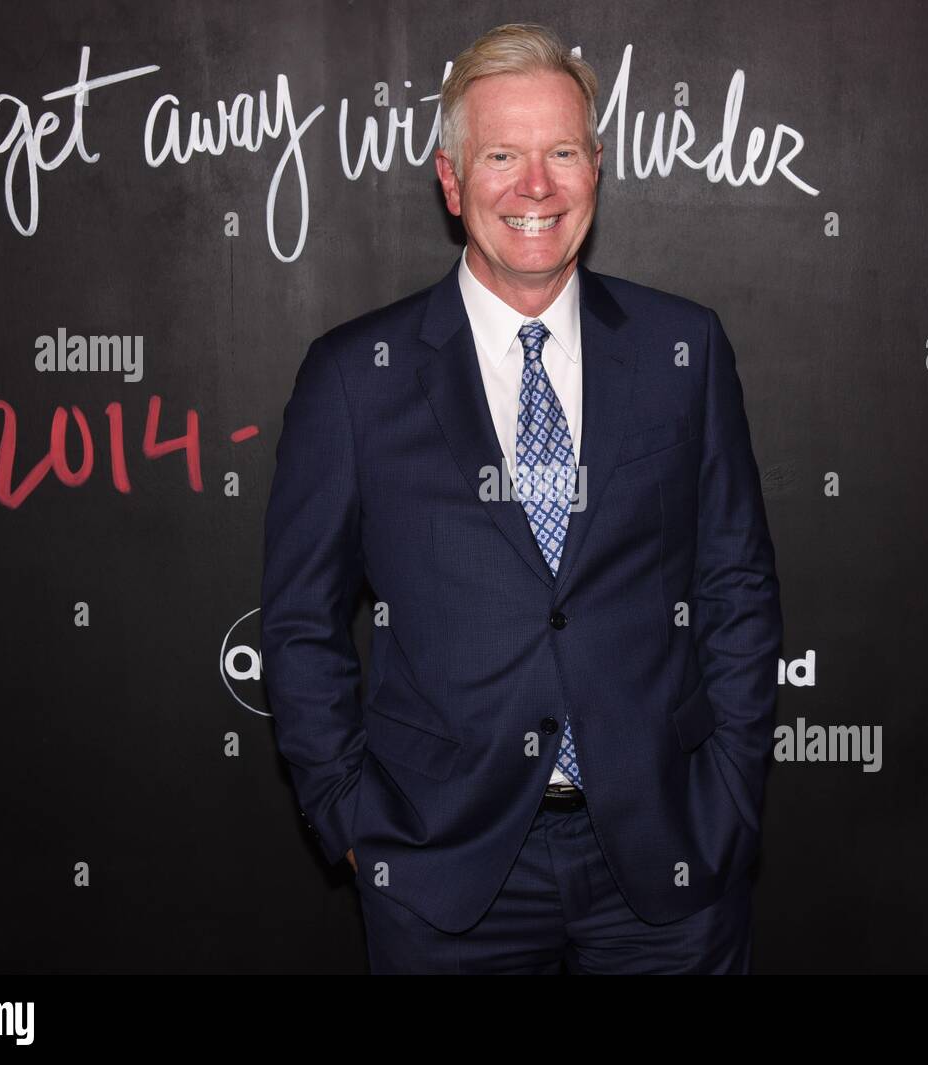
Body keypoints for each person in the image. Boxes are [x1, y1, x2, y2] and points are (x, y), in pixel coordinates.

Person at [260, 22, 783, 974]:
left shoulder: (682, 349)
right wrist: (351, 820)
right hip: (441, 870)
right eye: (501, 155)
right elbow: (300, 622)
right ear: (452, 182)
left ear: (595, 170)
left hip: (668, 863)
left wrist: (732, 797)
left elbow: (736, 583)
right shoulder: (354, 377)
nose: (534, 187)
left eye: (561, 154)